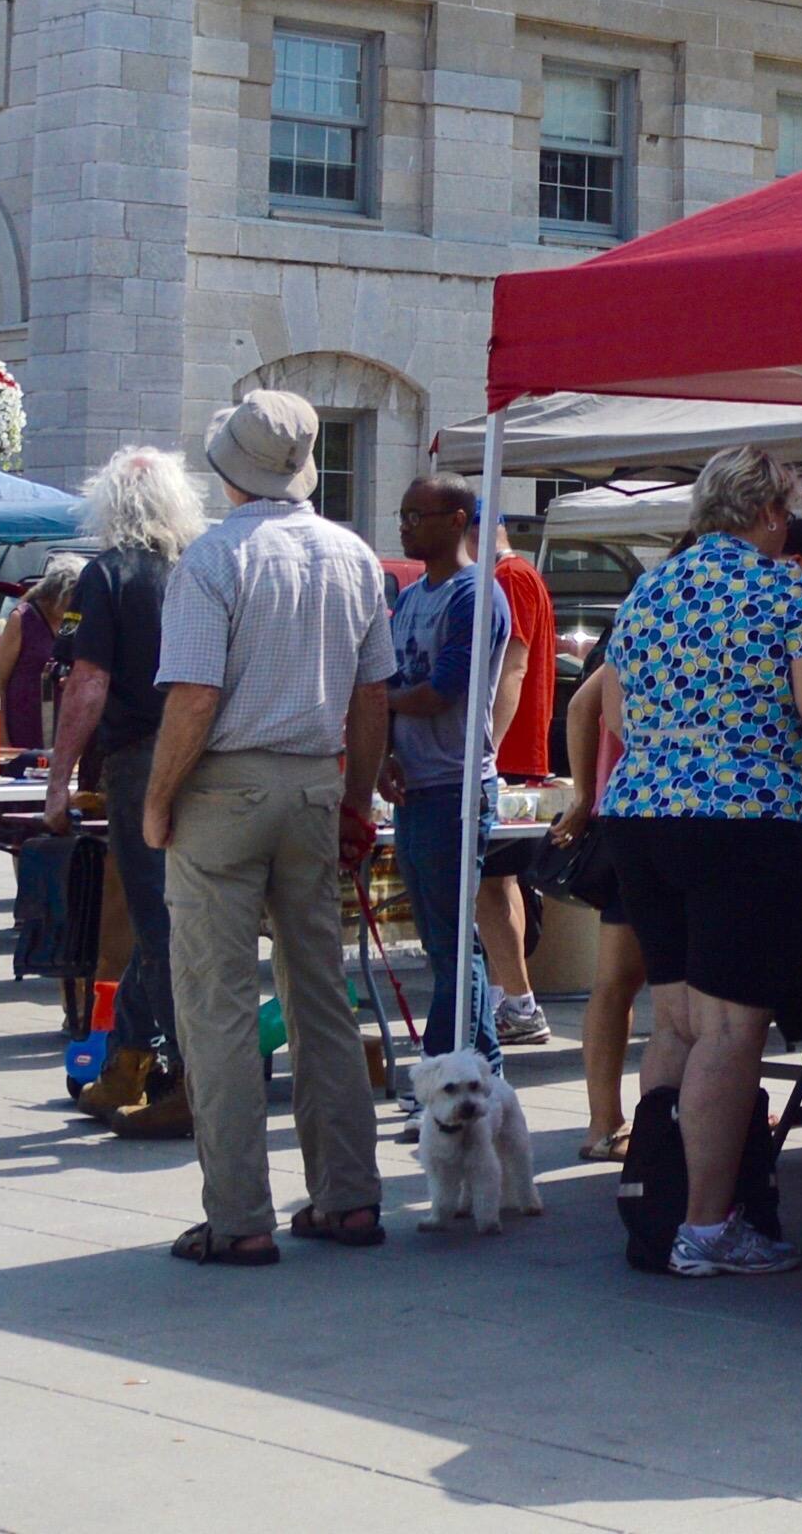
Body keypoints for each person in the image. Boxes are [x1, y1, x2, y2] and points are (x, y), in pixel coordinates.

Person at [604, 444, 802, 1279]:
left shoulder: (651, 588)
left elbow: (618, 711)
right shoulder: (785, 593)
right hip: (745, 820)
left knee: (678, 1021)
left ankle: (656, 1207)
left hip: (642, 813)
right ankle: (707, 1225)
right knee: (734, 1028)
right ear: (771, 513)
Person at [144, 391, 397, 1267]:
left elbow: (195, 697)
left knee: (213, 1002)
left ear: (229, 471)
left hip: (227, 786)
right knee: (320, 994)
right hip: (314, 785)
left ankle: (240, 1213)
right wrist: (356, 798)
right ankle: (349, 1196)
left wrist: (157, 796)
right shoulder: (353, 555)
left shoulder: (213, 559)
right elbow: (373, 697)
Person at [46, 446, 204, 1138]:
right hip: (207, 752)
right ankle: (129, 1059)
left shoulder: (104, 576)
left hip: (141, 755)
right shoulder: (197, 568)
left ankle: (182, 1074)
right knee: (166, 916)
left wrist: (58, 777)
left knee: (160, 921)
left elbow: (88, 684)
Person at [379, 474, 513, 1075]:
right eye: (403, 514)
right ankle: (477, 1072)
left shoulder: (473, 595)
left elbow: (442, 691)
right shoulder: (410, 598)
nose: (405, 526)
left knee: (456, 945)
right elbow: (387, 681)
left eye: (418, 515)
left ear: (457, 520)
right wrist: (384, 751)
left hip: (456, 788)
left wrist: (380, 704)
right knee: (441, 943)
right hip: (415, 786)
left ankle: (444, 1068)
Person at [553, 656, 647, 1158]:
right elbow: (581, 706)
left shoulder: (645, 616)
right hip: (673, 813)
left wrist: (587, 794)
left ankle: (604, 1121)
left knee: (615, 982)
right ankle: (613, 1121)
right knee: (699, 990)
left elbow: (579, 705)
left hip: (625, 812)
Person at [472, 537, 557, 1052]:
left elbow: (514, 665)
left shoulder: (510, 578)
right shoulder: (516, 576)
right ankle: (512, 999)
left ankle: (518, 1002)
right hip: (509, 757)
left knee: (491, 886)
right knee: (496, 884)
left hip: (506, 757)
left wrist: (488, 747)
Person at [0, 560, 76, 762]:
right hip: (23, 729)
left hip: (63, 731)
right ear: (56, 594)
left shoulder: (73, 621)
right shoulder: (22, 619)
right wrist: (3, 743)